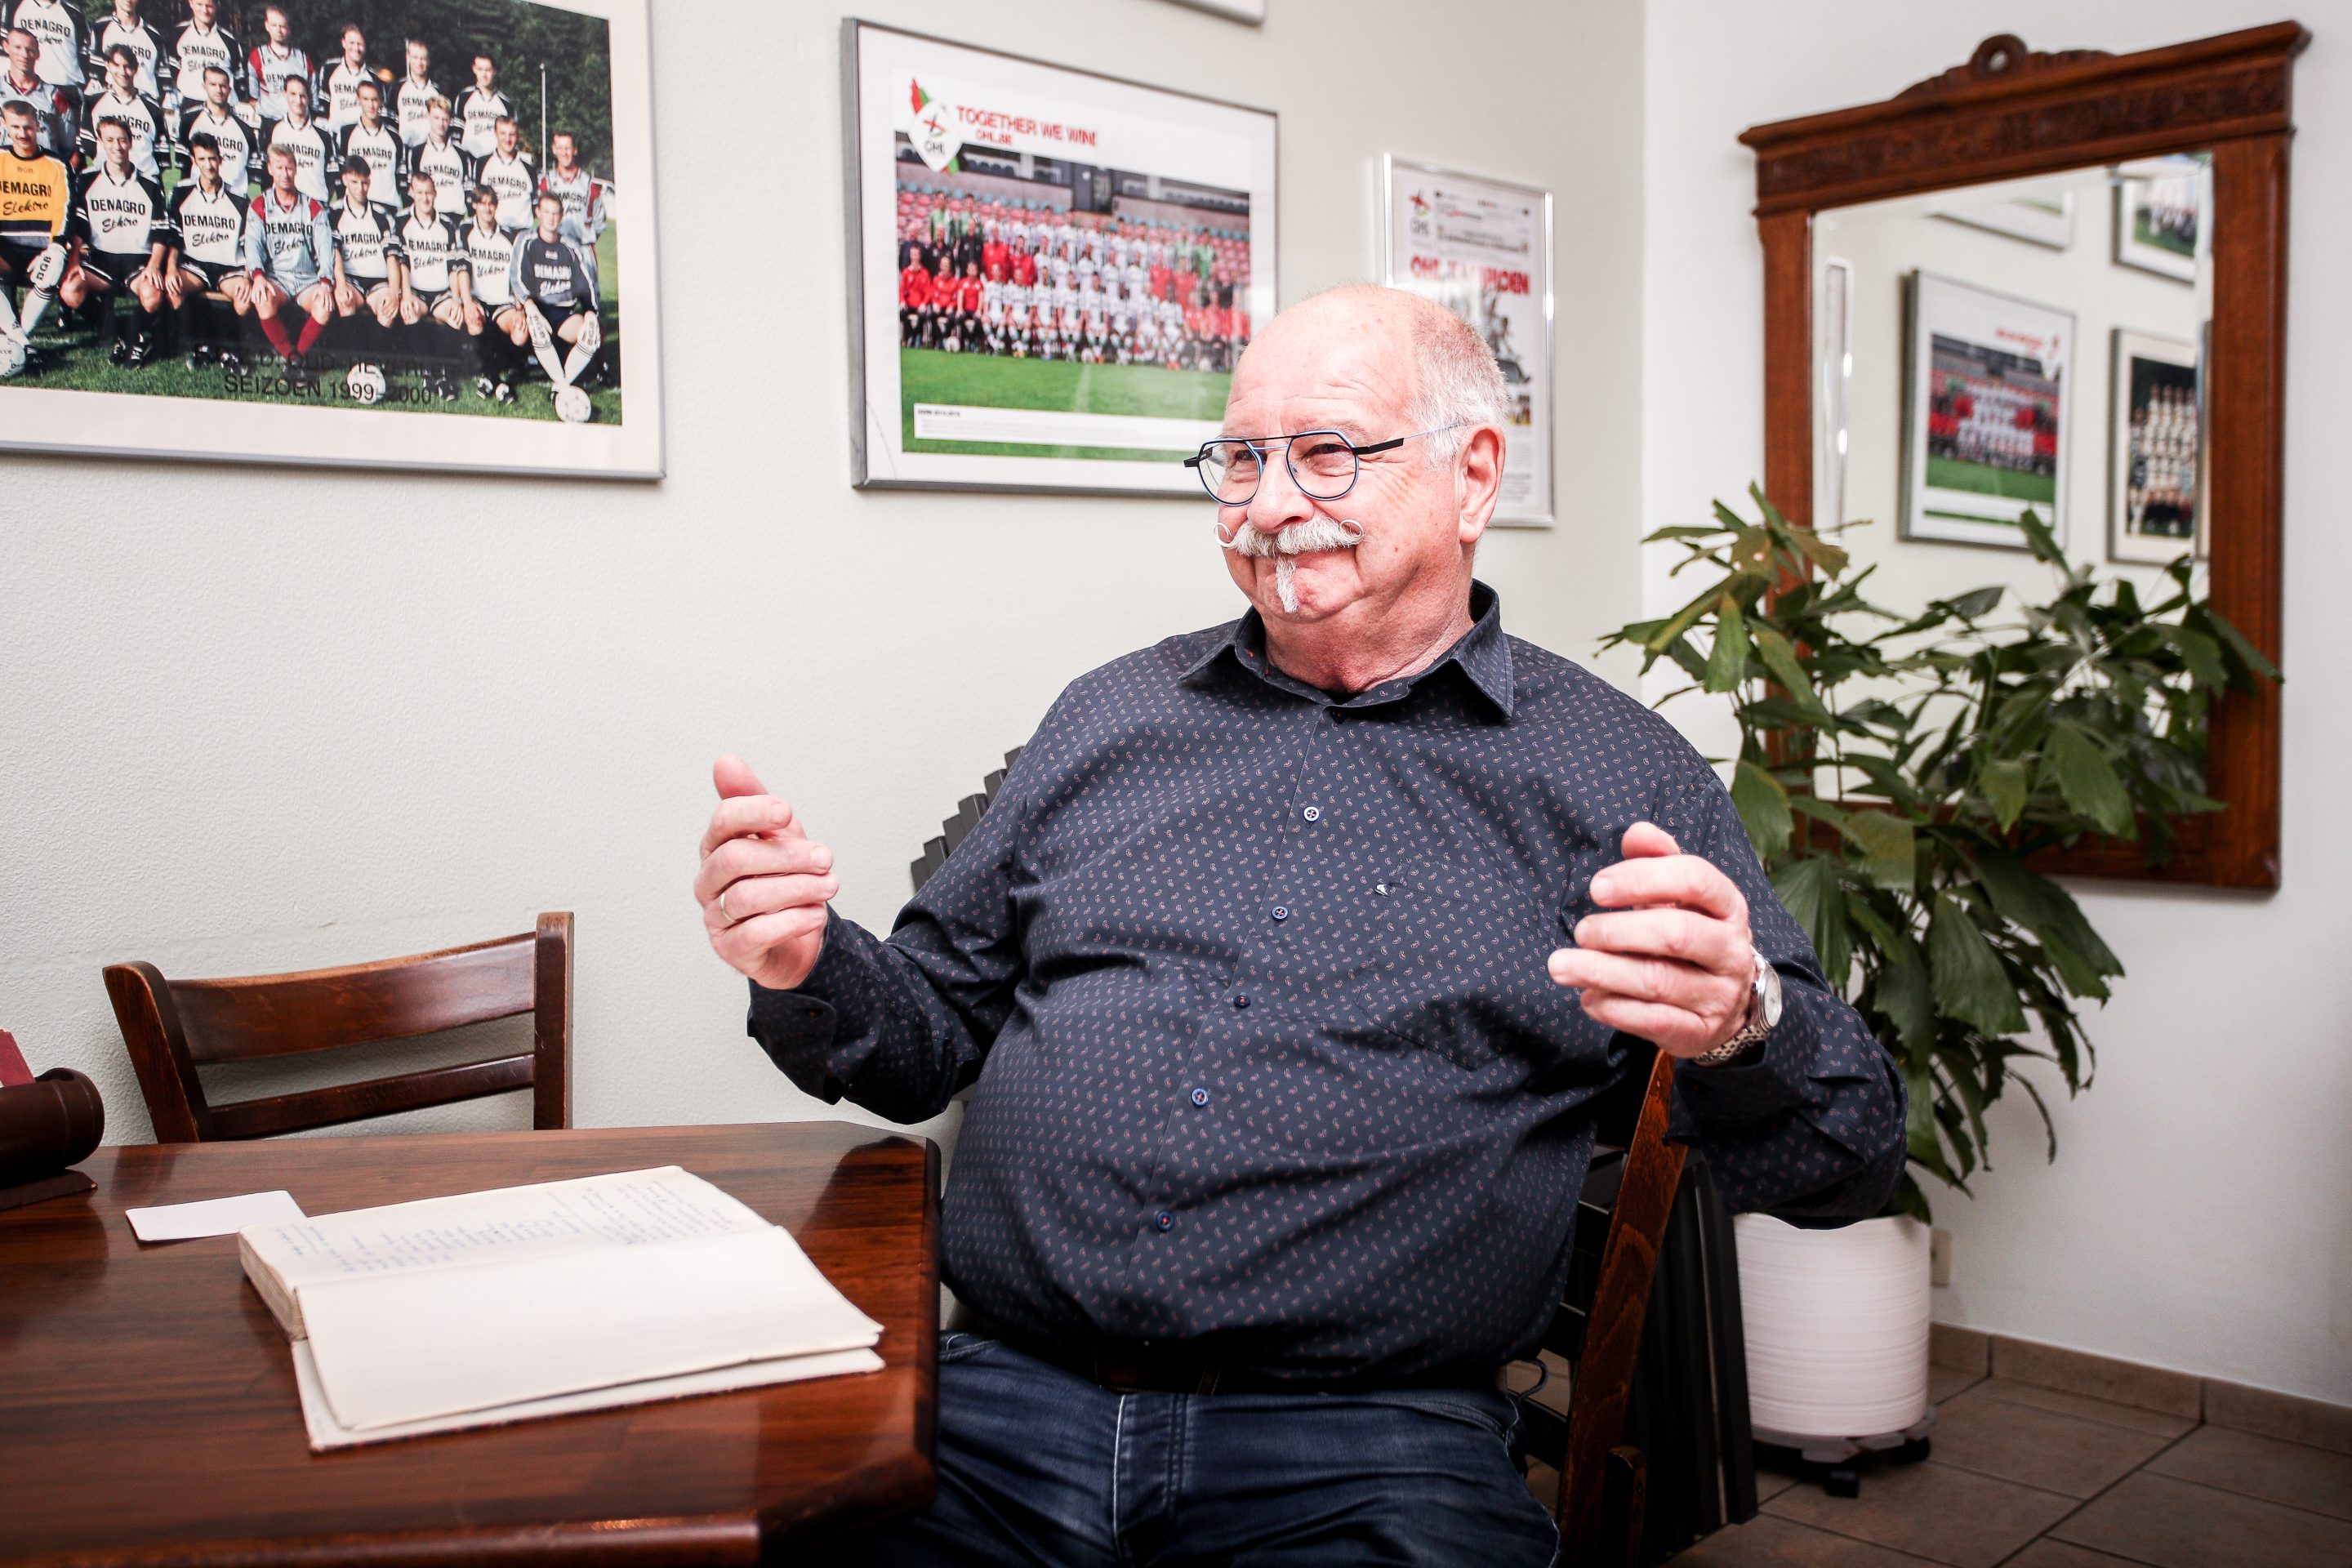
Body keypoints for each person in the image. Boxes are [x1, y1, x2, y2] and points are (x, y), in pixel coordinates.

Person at [695, 284, 1905, 1568]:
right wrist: (806, 959)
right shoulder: (1107, 720)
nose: (1270, 508)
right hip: (1000, 1406)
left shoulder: (1619, 777)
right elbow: (923, 1038)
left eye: (1328, 454)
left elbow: (1845, 1159)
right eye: (1239, 460)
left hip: (1373, 1451)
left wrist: (1741, 1025)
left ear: (1471, 475)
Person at [59, 112, 168, 364]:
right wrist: (75, 260)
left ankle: (130, 336)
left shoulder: (150, 184)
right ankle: (124, 333)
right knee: (70, 291)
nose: (117, 146)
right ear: (100, 143)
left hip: (138, 261)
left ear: (131, 143)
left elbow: (161, 232)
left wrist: (153, 265)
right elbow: (79, 230)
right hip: (101, 261)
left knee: (152, 297)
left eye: (122, 140)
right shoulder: (86, 180)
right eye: (110, 140)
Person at [241, 138, 332, 368]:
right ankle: (291, 357)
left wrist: (325, 282)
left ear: (296, 169)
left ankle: (296, 357)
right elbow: (252, 245)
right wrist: (258, 277)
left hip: (306, 278)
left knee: (324, 306)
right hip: (276, 278)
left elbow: (325, 248)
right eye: (279, 167)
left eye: (290, 167)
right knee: (262, 300)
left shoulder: (313, 207)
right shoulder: (259, 205)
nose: (285, 173)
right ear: (270, 169)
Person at [163, 127, 247, 367]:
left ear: (221, 159)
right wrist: (170, 269)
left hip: (228, 265)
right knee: (174, 287)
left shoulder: (239, 198)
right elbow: (175, 238)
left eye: (212, 158)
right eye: (202, 159)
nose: (208, 165)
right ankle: (201, 344)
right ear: (193, 161)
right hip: (195, 264)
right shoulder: (181, 192)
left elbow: (249, 247)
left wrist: (249, 277)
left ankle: (229, 348)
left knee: (244, 297)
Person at [0, 96, 69, 368]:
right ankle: (26, 345)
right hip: (5, 247)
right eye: (15, 127)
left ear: (37, 125)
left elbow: (64, 211)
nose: (22, 134)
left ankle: (17, 342)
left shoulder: (56, 164)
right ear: (5, 126)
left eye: (27, 127)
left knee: (55, 263)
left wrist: (55, 246)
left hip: (39, 250)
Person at [508, 188, 598, 394]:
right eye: (547, 212)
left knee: (591, 335)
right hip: (536, 308)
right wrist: (529, 306)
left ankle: (562, 384)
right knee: (538, 330)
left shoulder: (570, 247)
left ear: (562, 215)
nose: (551, 218)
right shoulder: (526, 240)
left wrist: (591, 312)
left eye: (556, 213)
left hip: (563, 313)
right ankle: (562, 383)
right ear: (538, 212)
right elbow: (517, 278)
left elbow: (587, 285)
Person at [392, 167, 466, 399]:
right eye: (420, 192)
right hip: (417, 292)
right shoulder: (402, 220)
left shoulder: (447, 225)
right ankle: (428, 370)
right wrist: (406, 295)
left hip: (441, 291)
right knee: (410, 312)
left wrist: (456, 298)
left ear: (435, 194)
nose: (425, 198)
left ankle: (446, 374)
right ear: (411, 193)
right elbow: (402, 262)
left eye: (429, 193)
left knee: (455, 315)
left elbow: (453, 267)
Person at [458, 181, 521, 399]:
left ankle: (489, 377)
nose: (487, 208)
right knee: (474, 321)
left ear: (496, 206)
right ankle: (496, 379)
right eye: (482, 203)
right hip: (478, 299)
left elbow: (517, 277)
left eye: (491, 203)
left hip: (502, 302)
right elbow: (462, 270)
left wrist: (520, 308)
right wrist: (467, 302)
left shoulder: (509, 236)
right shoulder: (465, 230)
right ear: (474, 204)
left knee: (521, 332)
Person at [327, 151, 399, 338]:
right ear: (344, 180)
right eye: (354, 182)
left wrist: (393, 292)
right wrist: (341, 285)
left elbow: (392, 258)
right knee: (345, 301)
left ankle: (373, 361)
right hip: (351, 279)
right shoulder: (333, 213)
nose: (361, 188)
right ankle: (355, 361)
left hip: (378, 280)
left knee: (387, 307)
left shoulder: (382, 215)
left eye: (365, 182)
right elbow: (335, 255)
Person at [76, 40, 157, 179]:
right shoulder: (92, 102)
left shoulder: (153, 108)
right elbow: (87, 145)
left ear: (135, 69)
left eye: (127, 67)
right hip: (106, 180)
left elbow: (160, 154)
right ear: (108, 65)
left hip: (143, 180)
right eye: (117, 65)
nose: (122, 72)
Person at [1, 24, 75, 154]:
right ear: (6, 47)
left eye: (30, 50)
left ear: (37, 54)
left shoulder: (55, 96)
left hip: (42, 169)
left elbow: (67, 144)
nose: (24, 54)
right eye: (18, 47)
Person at [175, 60, 247, 192]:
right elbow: (184, 165)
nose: (219, 90)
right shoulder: (189, 120)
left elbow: (251, 174)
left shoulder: (245, 128)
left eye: (223, 86)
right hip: (199, 196)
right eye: (213, 85)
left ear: (229, 89)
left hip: (234, 199)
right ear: (204, 86)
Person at [262, 70, 332, 202]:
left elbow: (331, 176)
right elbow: (266, 173)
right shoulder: (273, 130)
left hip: (316, 203)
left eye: (303, 95)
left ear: (309, 98)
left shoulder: (323, 135)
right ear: (285, 95)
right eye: (293, 94)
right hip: (282, 204)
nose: (298, 100)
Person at [336, 76, 401, 208]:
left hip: (387, 204)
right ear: (358, 100)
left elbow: (400, 177)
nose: (371, 105)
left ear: (381, 102)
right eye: (366, 99)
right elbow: (340, 173)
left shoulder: (394, 137)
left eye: (375, 100)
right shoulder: (346, 133)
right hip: (357, 203)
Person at [167, 0, 238, 118]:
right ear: (191, 3)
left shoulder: (229, 41)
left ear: (216, 6)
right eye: (200, 4)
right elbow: (172, 72)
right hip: (188, 102)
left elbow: (238, 77)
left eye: (209, 6)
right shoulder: (178, 33)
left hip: (220, 106)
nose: (204, 10)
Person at [243, 4, 306, 132]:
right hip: (269, 121)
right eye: (274, 25)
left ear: (289, 29)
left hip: (295, 123)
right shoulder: (257, 56)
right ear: (267, 26)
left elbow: (312, 95)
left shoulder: (302, 59)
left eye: (282, 26)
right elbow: (253, 97)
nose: (278, 30)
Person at [83, 0, 158, 106]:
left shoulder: (154, 36)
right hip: (112, 105)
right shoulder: (101, 28)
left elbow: (162, 82)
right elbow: (95, 75)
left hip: (144, 108)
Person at [7, 0, 87, 94]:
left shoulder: (75, 14)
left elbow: (85, 57)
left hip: (67, 88)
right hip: (26, 86)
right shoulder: (13, 7)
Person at [410, 92, 470, 216]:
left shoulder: (461, 153)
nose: (441, 123)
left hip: (455, 214)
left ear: (450, 121)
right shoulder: (417, 152)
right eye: (436, 118)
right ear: (428, 116)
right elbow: (411, 189)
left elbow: (468, 188)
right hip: (429, 214)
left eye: (445, 119)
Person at [475, 113, 532, 234]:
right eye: (503, 133)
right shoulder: (482, 163)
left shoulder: (528, 167)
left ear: (517, 136)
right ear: (495, 133)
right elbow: (476, 198)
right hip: (494, 232)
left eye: (512, 134)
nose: (508, 139)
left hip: (521, 232)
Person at [451, 51, 506, 160]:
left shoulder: (506, 104)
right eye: (480, 69)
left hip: (494, 161)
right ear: (474, 69)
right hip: (468, 159)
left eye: (488, 70)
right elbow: (456, 135)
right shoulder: (464, 97)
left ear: (494, 71)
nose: (484, 74)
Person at [316, 22, 369, 133]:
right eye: (352, 43)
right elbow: (322, 105)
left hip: (360, 136)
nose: (356, 48)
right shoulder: (329, 69)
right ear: (344, 43)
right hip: (335, 133)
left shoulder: (372, 76)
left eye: (360, 44)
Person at [392, 36, 434, 148]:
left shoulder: (436, 91)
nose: (419, 63)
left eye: (423, 58)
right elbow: (389, 123)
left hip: (428, 150)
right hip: (404, 148)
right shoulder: (397, 88)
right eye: (415, 58)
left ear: (428, 61)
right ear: (408, 58)